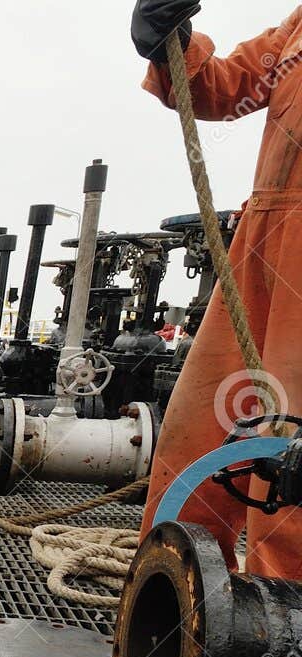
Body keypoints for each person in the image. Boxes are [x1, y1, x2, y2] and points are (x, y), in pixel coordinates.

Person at [133, 2, 302, 576]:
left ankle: (274, 641)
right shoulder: (299, 25)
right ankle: (167, 606)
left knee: (288, 465)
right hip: (264, 244)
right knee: (199, 436)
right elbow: (225, 86)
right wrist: (170, 41)